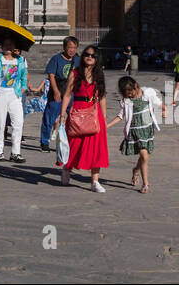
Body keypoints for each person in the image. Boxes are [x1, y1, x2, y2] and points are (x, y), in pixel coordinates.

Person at [56, 46, 111, 192]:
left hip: (94, 112)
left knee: (96, 148)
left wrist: (104, 117)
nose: (89, 57)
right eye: (86, 54)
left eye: (93, 56)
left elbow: (102, 96)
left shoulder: (99, 74)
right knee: (73, 144)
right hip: (77, 112)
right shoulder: (75, 73)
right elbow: (67, 94)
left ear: (97, 58)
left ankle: (95, 181)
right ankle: (66, 169)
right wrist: (62, 114)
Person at [0, 40, 35, 163]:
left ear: (14, 46)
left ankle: (16, 153)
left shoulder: (20, 60)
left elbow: (24, 76)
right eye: (6, 44)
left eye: (11, 44)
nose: (8, 46)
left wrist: (23, 88)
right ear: (2, 46)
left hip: (14, 95)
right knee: (0, 123)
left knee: (18, 123)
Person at [117, 75, 167, 194]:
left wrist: (165, 110)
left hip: (147, 129)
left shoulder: (147, 93)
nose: (129, 95)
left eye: (130, 92)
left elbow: (160, 103)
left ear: (136, 86)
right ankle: (145, 184)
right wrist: (106, 126)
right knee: (144, 156)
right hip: (135, 131)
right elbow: (120, 116)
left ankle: (136, 170)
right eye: (126, 93)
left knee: (144, 156)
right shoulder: (127, 101)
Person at [41, 36, 77, 150]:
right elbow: (51, 75)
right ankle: (45, 142)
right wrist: (56, 91)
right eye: (70, 47)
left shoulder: (78, 59)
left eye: (74, 48)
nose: (72, 50)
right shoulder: (56, 59)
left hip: (71, 94)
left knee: (73, 118)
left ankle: (71, 141)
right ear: (64, 47)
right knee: (50, 118)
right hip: (58, 92)